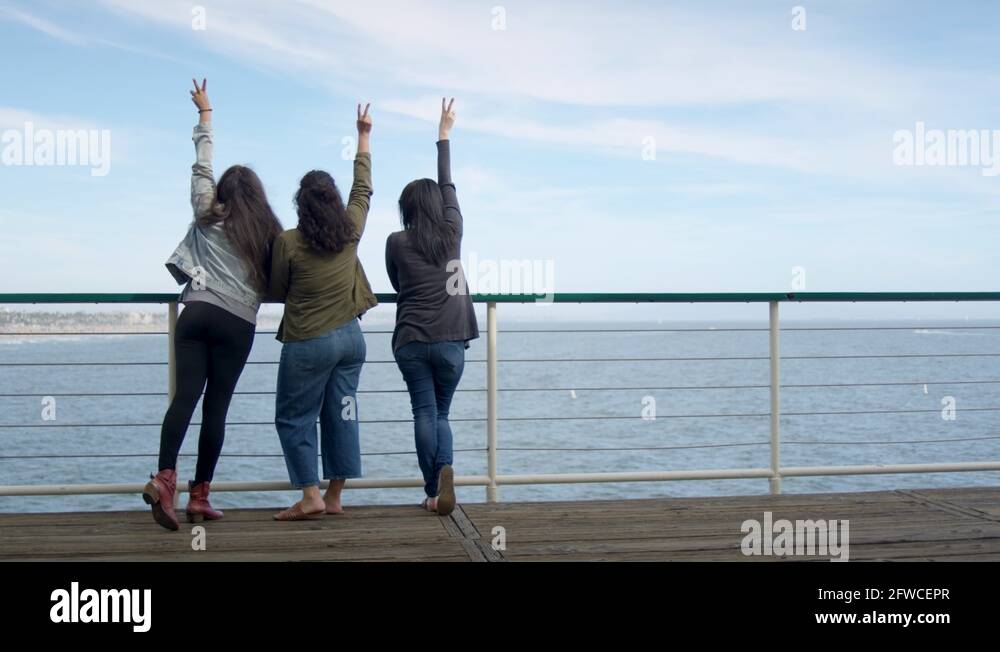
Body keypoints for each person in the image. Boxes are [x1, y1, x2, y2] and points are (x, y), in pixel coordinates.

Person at [144, 79, 283, 531]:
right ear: (259, 198)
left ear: (225, 192)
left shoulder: (207, 213)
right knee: (216, 407)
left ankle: (165, 479)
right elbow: (281, 280)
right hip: (237, 322)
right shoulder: (268, 234)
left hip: (196, 312)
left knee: (184, 398)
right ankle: (200, 497)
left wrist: (205, 116)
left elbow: (201, 167)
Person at [269, 103, 377, 521]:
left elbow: (278, 290)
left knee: (294, 417)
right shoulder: (350, 230)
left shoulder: (288, 242)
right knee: (342, 412)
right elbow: (362, 189)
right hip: (351, 340)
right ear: (333, 202)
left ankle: (310, 495)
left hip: (307, 341)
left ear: (300, 205)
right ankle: (333, 497)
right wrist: (363, 135)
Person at [385, 98, 479, 516]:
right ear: (439, 208)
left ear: (406, 210)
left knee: (423, 411)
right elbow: (449, 185)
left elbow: (397, 282)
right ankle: (443, 482)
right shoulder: (453, 231)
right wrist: (443, 136)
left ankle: (433, 487)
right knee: (441, 413)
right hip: (450, 341)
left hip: (410, 338)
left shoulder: (395, 242)